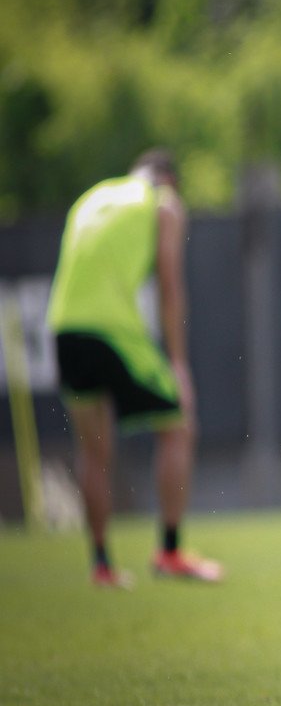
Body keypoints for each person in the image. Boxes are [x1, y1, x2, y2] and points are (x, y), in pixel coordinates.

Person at [46, 149, 222, 587]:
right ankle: (170, 551)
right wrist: (178, 365)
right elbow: (169, 284)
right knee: (178, 425)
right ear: (171, 180)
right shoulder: (162, 201)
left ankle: (101, 565)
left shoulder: (92, 198)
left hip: (64, 326)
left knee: (93, 451)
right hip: (113, 328)